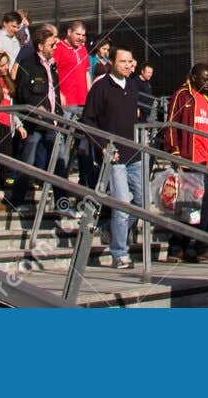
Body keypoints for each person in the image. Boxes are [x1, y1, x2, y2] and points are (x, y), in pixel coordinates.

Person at [82, 45, 143, 269]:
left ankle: (110, 229)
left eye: (130, 62)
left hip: (133, 152)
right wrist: (102, 147)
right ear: (112, 63)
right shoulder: (101, 87)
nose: (127, 66)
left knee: (142, 202)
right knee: (121, 203)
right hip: (113, 154)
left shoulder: (133, 86)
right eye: (122, 62)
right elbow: (88, 120)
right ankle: (120, 253)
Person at [165, 63, 208, 262]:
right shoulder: (182, 95)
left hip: (205, 157)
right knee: (204, 201)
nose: (207, 82)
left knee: (191, 205)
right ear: (193, 77)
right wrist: (174, 151)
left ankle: (178, 247)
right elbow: (172, 123)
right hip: (188, 158)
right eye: (204, 78)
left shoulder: (207, 98)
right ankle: (202, 245)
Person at [7, 23, 61, 214]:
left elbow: (55, 94)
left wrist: (59, 116)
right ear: (40, 46)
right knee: (27, 161)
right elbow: (22, 91)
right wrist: (37, 109)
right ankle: (16, 199)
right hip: (35, 123)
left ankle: (61, 202)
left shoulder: (52, 66)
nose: (54, 48)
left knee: (57, 163)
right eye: (51, 45)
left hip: (52, 123)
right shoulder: (29, 64)